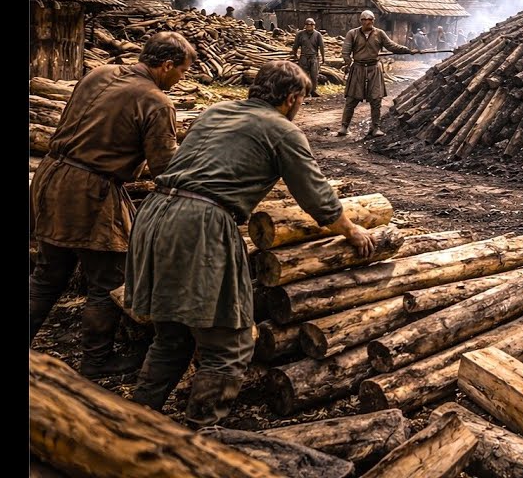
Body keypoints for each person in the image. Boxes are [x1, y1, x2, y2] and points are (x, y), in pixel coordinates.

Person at [125, 61, 380, 426]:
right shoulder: (282, 130)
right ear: (292, 98)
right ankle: (199, 434)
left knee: (172, 335)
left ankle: (132, 424)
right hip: (200, 225)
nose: (301, 106)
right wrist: (352, 230)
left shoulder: (215, 112)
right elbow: (317, 197)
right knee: (229, 345)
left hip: (155, 213)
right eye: (303, 100)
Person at [29, 32, 196, 377]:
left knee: (48, 275)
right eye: (182, 71)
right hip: (90, 191)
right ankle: (95, 362)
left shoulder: (100, 73)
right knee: (108, 280)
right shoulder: (156, 101)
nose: (181, 79)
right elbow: (165, 168)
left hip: (50, 176)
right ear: (167, 65)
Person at [339, 9, 418, 139]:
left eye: (369, 20)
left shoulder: (379, 33)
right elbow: (345, 50)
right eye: (364, 20)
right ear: (360, 21)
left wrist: (408, 50)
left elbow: (392, 46)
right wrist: (347, 62)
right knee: (351, 99)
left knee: (376, 99)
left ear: (373, 21)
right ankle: (344, 127)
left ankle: (375, 128)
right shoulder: (352, 33)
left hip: (374, 69)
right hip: (358, 68)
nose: (367, 22)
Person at [290, 18, 326, 97]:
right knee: (303, 75)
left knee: (314, 75)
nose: (309, 26)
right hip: (304, 57)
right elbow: (296, 45)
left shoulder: (318, 35)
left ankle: (313, 90)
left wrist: (323, 57)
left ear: (314, 26)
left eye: (311, 25)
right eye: (308, 25)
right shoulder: (300, 34)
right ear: (305, 25)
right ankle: (304, 91)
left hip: (314, 57)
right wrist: (294, 54)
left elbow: (321, 47)